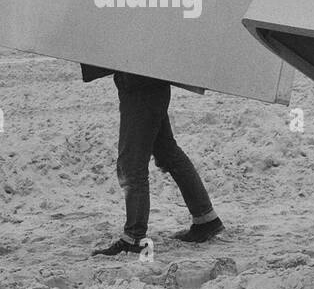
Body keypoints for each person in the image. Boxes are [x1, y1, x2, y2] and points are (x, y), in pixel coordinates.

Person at [91, 69, 222, 256]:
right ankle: (206, 219)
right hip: (148, 81)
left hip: (141, 84)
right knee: (167, 151)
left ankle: (134, 237)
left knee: (131, 165)